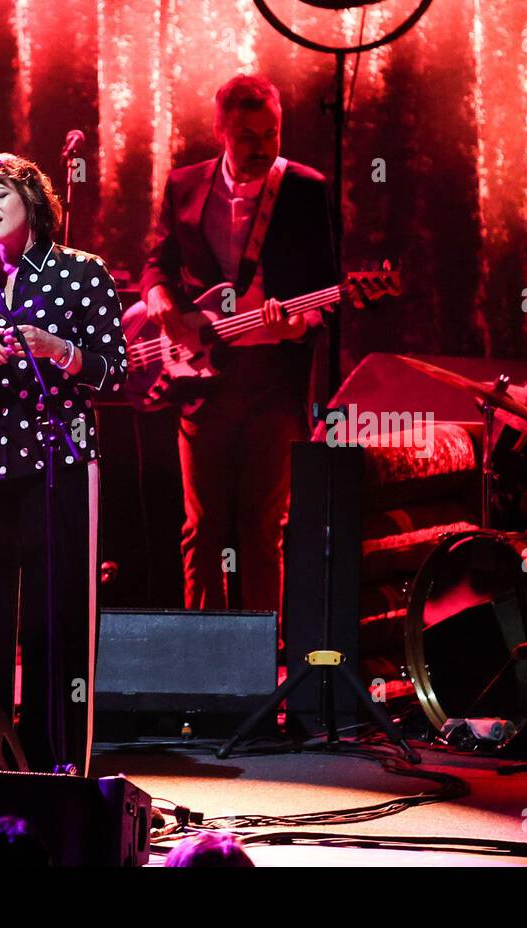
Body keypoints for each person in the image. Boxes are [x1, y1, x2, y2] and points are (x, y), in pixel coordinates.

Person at [0, 152, 127, 775]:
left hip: (55, 463)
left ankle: (54, 768)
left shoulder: (82, 274)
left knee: (56, 618)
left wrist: (61, 351)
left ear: (31, 198)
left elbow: (114, 373)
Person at [138, 73, 336, 613]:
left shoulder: (304, 188)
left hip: (273, 381)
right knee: (201, 530)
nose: (263, 146)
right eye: (248, 135)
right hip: (202, 381)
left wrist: (299, 323)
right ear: (221, 130)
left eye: (272, 133)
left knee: (262, 530)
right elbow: (158, 261)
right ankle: (203, 670)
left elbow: (326, 290)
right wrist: (157, 297)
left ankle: (257, 671)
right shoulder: (185, 183)